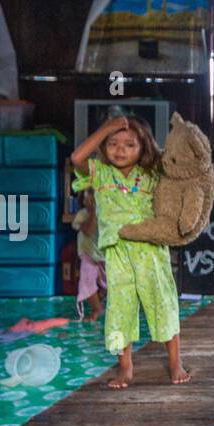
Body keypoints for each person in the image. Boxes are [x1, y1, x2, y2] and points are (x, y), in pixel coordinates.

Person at [70, 115, 188, 389]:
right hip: (118, 253)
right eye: (113, 143)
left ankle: (175, 361)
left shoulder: (151, 173)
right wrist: (106, 128)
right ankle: (125, 367)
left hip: (151, 250)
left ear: (143, 147)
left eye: (129, 144)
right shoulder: (100, 173)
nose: (120, 149)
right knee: (121, 308)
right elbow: (77, 158)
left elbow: (177, 167)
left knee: (163, 303)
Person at [70, 189, 106, 321]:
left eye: (93, 200)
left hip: (104, 256)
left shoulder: (106, 215)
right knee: (87, 282)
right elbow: (88, 231)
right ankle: (97, 309)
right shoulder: (82, 214)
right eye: (87, 200)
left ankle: (99, 301)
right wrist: (93, 214)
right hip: (88, 255)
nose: (89, 203)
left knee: (109, 284)